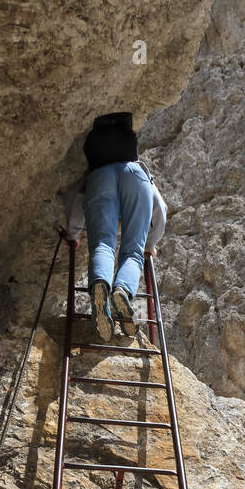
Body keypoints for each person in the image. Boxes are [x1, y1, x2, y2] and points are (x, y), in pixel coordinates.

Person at [63, 112, 167, 342]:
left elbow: (74, 198)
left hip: (100, 178)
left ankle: (101, 285)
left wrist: (72, 234)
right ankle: (122, 292)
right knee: (133, 253)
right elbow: (160, 207)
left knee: (103, 245)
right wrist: (150, 244)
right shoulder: (137, 165)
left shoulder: (93, 171)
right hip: (136, 178)